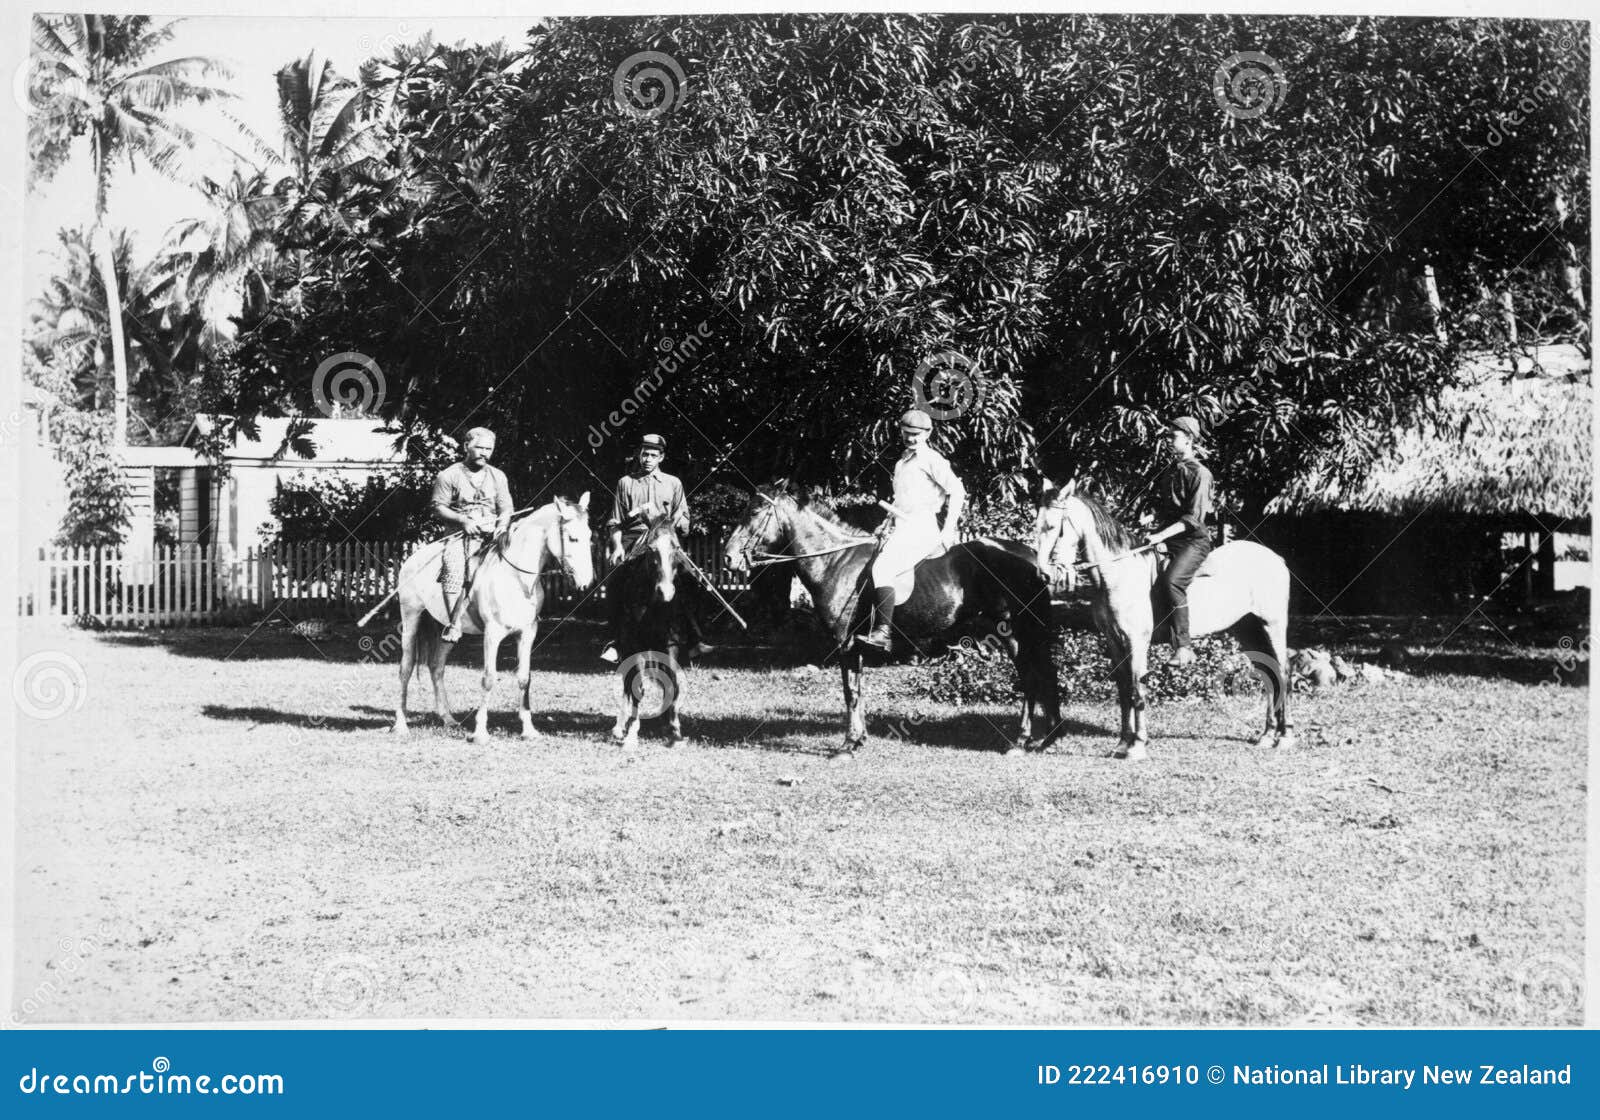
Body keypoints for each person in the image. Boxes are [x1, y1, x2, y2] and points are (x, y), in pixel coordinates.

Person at [856, 408, 966, 653]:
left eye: (916, 434)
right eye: (907, 433)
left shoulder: (932, 460)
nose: (911, 438)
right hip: (901, 526)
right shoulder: (901, 463)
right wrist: (886, 523)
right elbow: (899, 500)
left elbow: (957, 492)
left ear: (927, 433)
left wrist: (948, 529)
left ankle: (883, 633)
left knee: (882, 568)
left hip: (922, 528)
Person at [601, 433, 712, 663]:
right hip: (635, 540)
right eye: (644, 454)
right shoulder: (626, 483)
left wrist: (677, 522)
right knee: (616, 582)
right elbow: (614, 521)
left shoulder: (673, 483)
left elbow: (684, 518)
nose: (648, 459)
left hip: (664, 537)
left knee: (691, 578)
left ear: (661, 457)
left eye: (653, 455)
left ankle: (695, 639)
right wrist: (617, 547)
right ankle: (616, 642)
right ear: (639, 454)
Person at [432, 427, 513, 644]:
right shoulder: (448, 475)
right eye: (479, 447)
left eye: (489, 449)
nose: (484, 453)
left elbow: (506, 508)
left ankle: (519, 614)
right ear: (466, 446)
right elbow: (439, 507)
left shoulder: (498, 476)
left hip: (492, 535)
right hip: (459, 535)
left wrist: (502, 526)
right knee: (453, 567)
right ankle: (454, 623)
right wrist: (463, 521)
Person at [1146, 416, 1214, 666]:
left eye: (1173, 436)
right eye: (1168, 436)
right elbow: (1168, 510)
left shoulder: (1201, 474)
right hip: (1171, 538)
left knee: (1173, 581)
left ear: (1189, 439)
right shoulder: (1171, 471)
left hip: (1193, 541)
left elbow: (1193, 518)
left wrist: (1160, 535)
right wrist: (1151, 517)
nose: (1168, 441)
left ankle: (1184, 647)